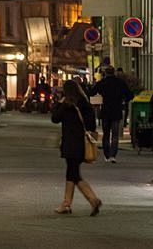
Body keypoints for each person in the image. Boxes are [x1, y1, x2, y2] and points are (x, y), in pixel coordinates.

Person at [51, 79, 102, 216]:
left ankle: (93, 199)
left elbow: (55, 118)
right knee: (71, 173)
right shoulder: (84, 103)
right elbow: (91, 123)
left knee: (74, 174)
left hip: (70, 143)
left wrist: (60, 104)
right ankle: (66, 204)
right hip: (82, 143)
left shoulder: (67, 104)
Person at [90, 65, 132, 162]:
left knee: (106, 134)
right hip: (116, 111)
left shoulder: (102, 83)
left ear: (106, 73)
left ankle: (107, 154)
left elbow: (92, 92)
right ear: (114, 72)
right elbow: (130, 95)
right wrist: (123, 100)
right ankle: (113, 155)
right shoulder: (120, 83)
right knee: (115, 134)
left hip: (106, 110)